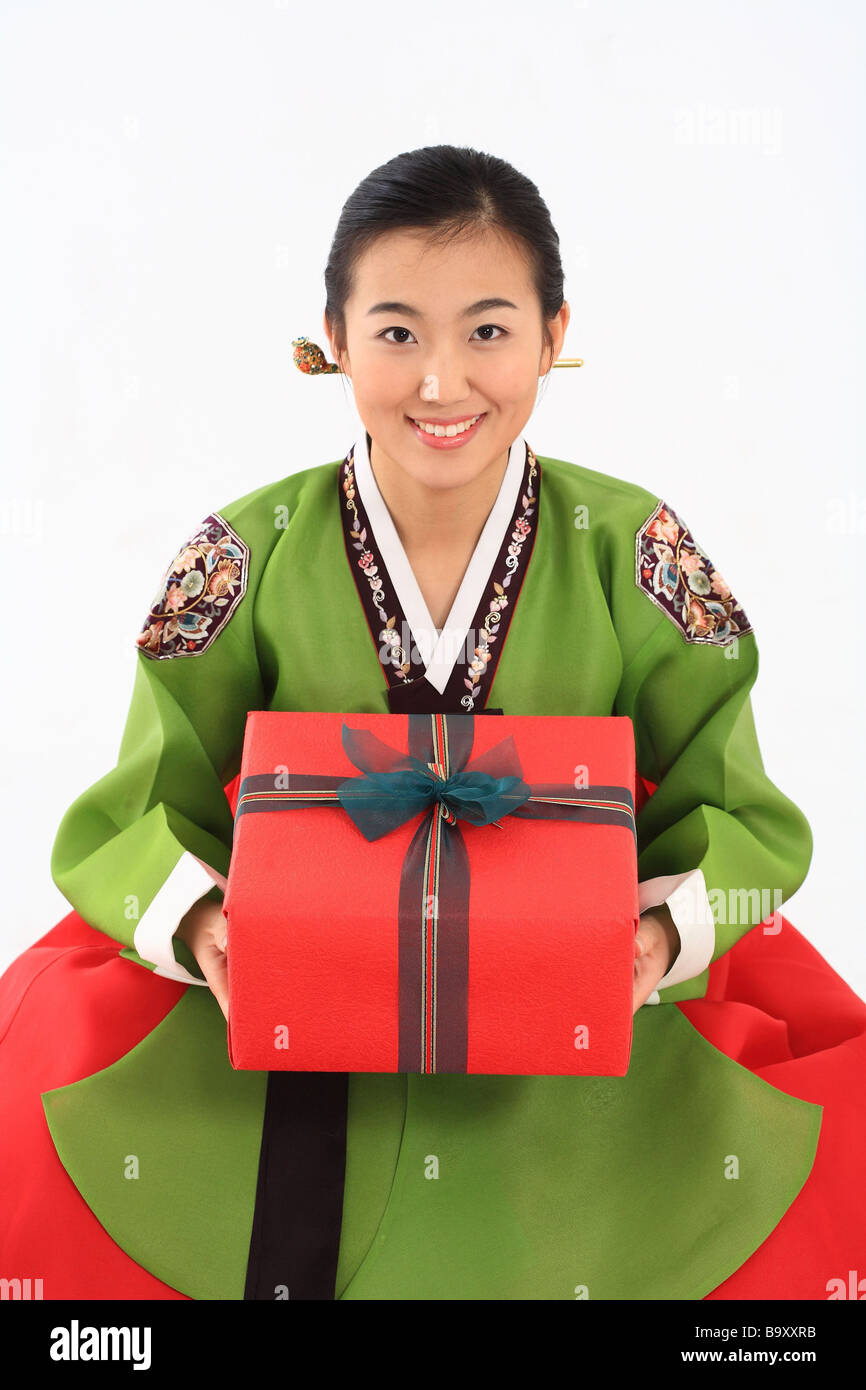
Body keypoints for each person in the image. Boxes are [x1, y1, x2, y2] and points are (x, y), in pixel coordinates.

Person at [2, 145, 864, 1301]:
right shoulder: (242, 553)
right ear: (333, 337)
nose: (441, 382)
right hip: (301, 995)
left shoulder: (633, 549)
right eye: (397, 332)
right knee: (36, 1118)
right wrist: (208, 929)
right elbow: (140, 805)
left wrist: (653, 943)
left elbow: (735, 806)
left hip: (574, 994)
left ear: (553, 335)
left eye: (488, 331)